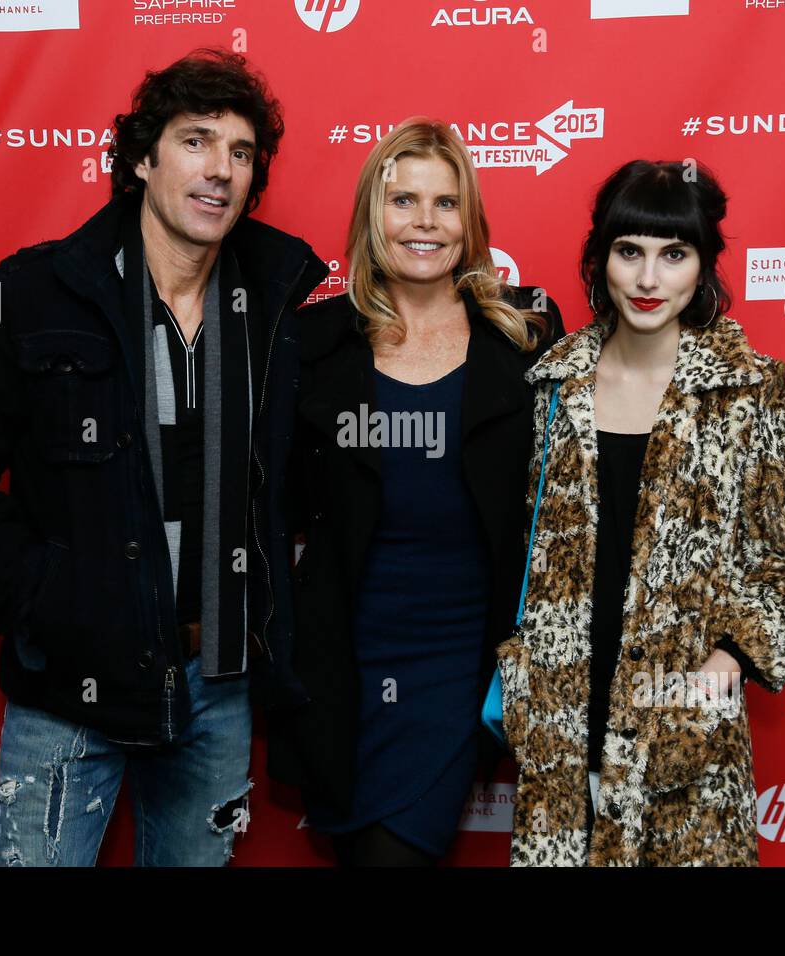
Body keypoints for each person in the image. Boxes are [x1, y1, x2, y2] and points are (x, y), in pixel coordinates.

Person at [0, 49, 328, 866]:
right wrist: (46, 599)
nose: (221, 170)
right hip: (72, 684)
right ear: (140, 158)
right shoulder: (34, 294)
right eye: (197, 141)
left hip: (217, 684)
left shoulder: (271, 306)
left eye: (241, 153)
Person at [496, 159, 785, 866]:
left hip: (682, 751)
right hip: (562, 734)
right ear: (600, 260)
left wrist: (720, 669)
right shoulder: (549, 386)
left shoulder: (749, 390)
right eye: (629, 252)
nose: (649, 280)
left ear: (703, 266)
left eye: (673, 254)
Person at [264, 119, 564, 866]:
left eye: (445, 203)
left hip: (459, 657)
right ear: (373, 215)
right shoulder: (311, 341)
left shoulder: (524, 337)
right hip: (342, 657)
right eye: (403, 201)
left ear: (471, 223)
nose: (424, 223)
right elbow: (277, 501)